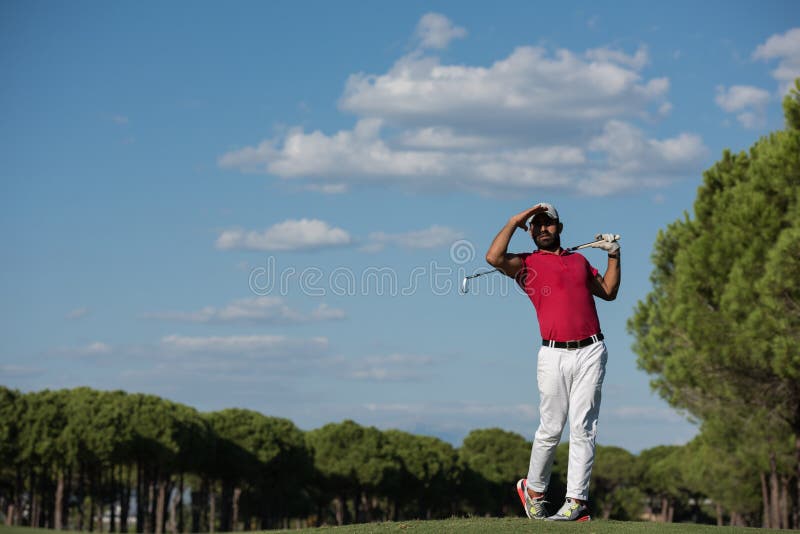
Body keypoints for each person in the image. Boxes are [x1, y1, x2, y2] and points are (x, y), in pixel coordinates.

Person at [485, 202, 620, 522]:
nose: (543, 228)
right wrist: (514, 219)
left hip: (591, 350)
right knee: (550, 429)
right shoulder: (525, 264)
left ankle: (576, 502)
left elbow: (609, 292)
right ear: (530, 231)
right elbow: (493, 257)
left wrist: (613, 254)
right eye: (536, 225)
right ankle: (534, 492)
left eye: (548, 224)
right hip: (552, 353)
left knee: (583, 427)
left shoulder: (580, 260)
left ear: (559, 228)